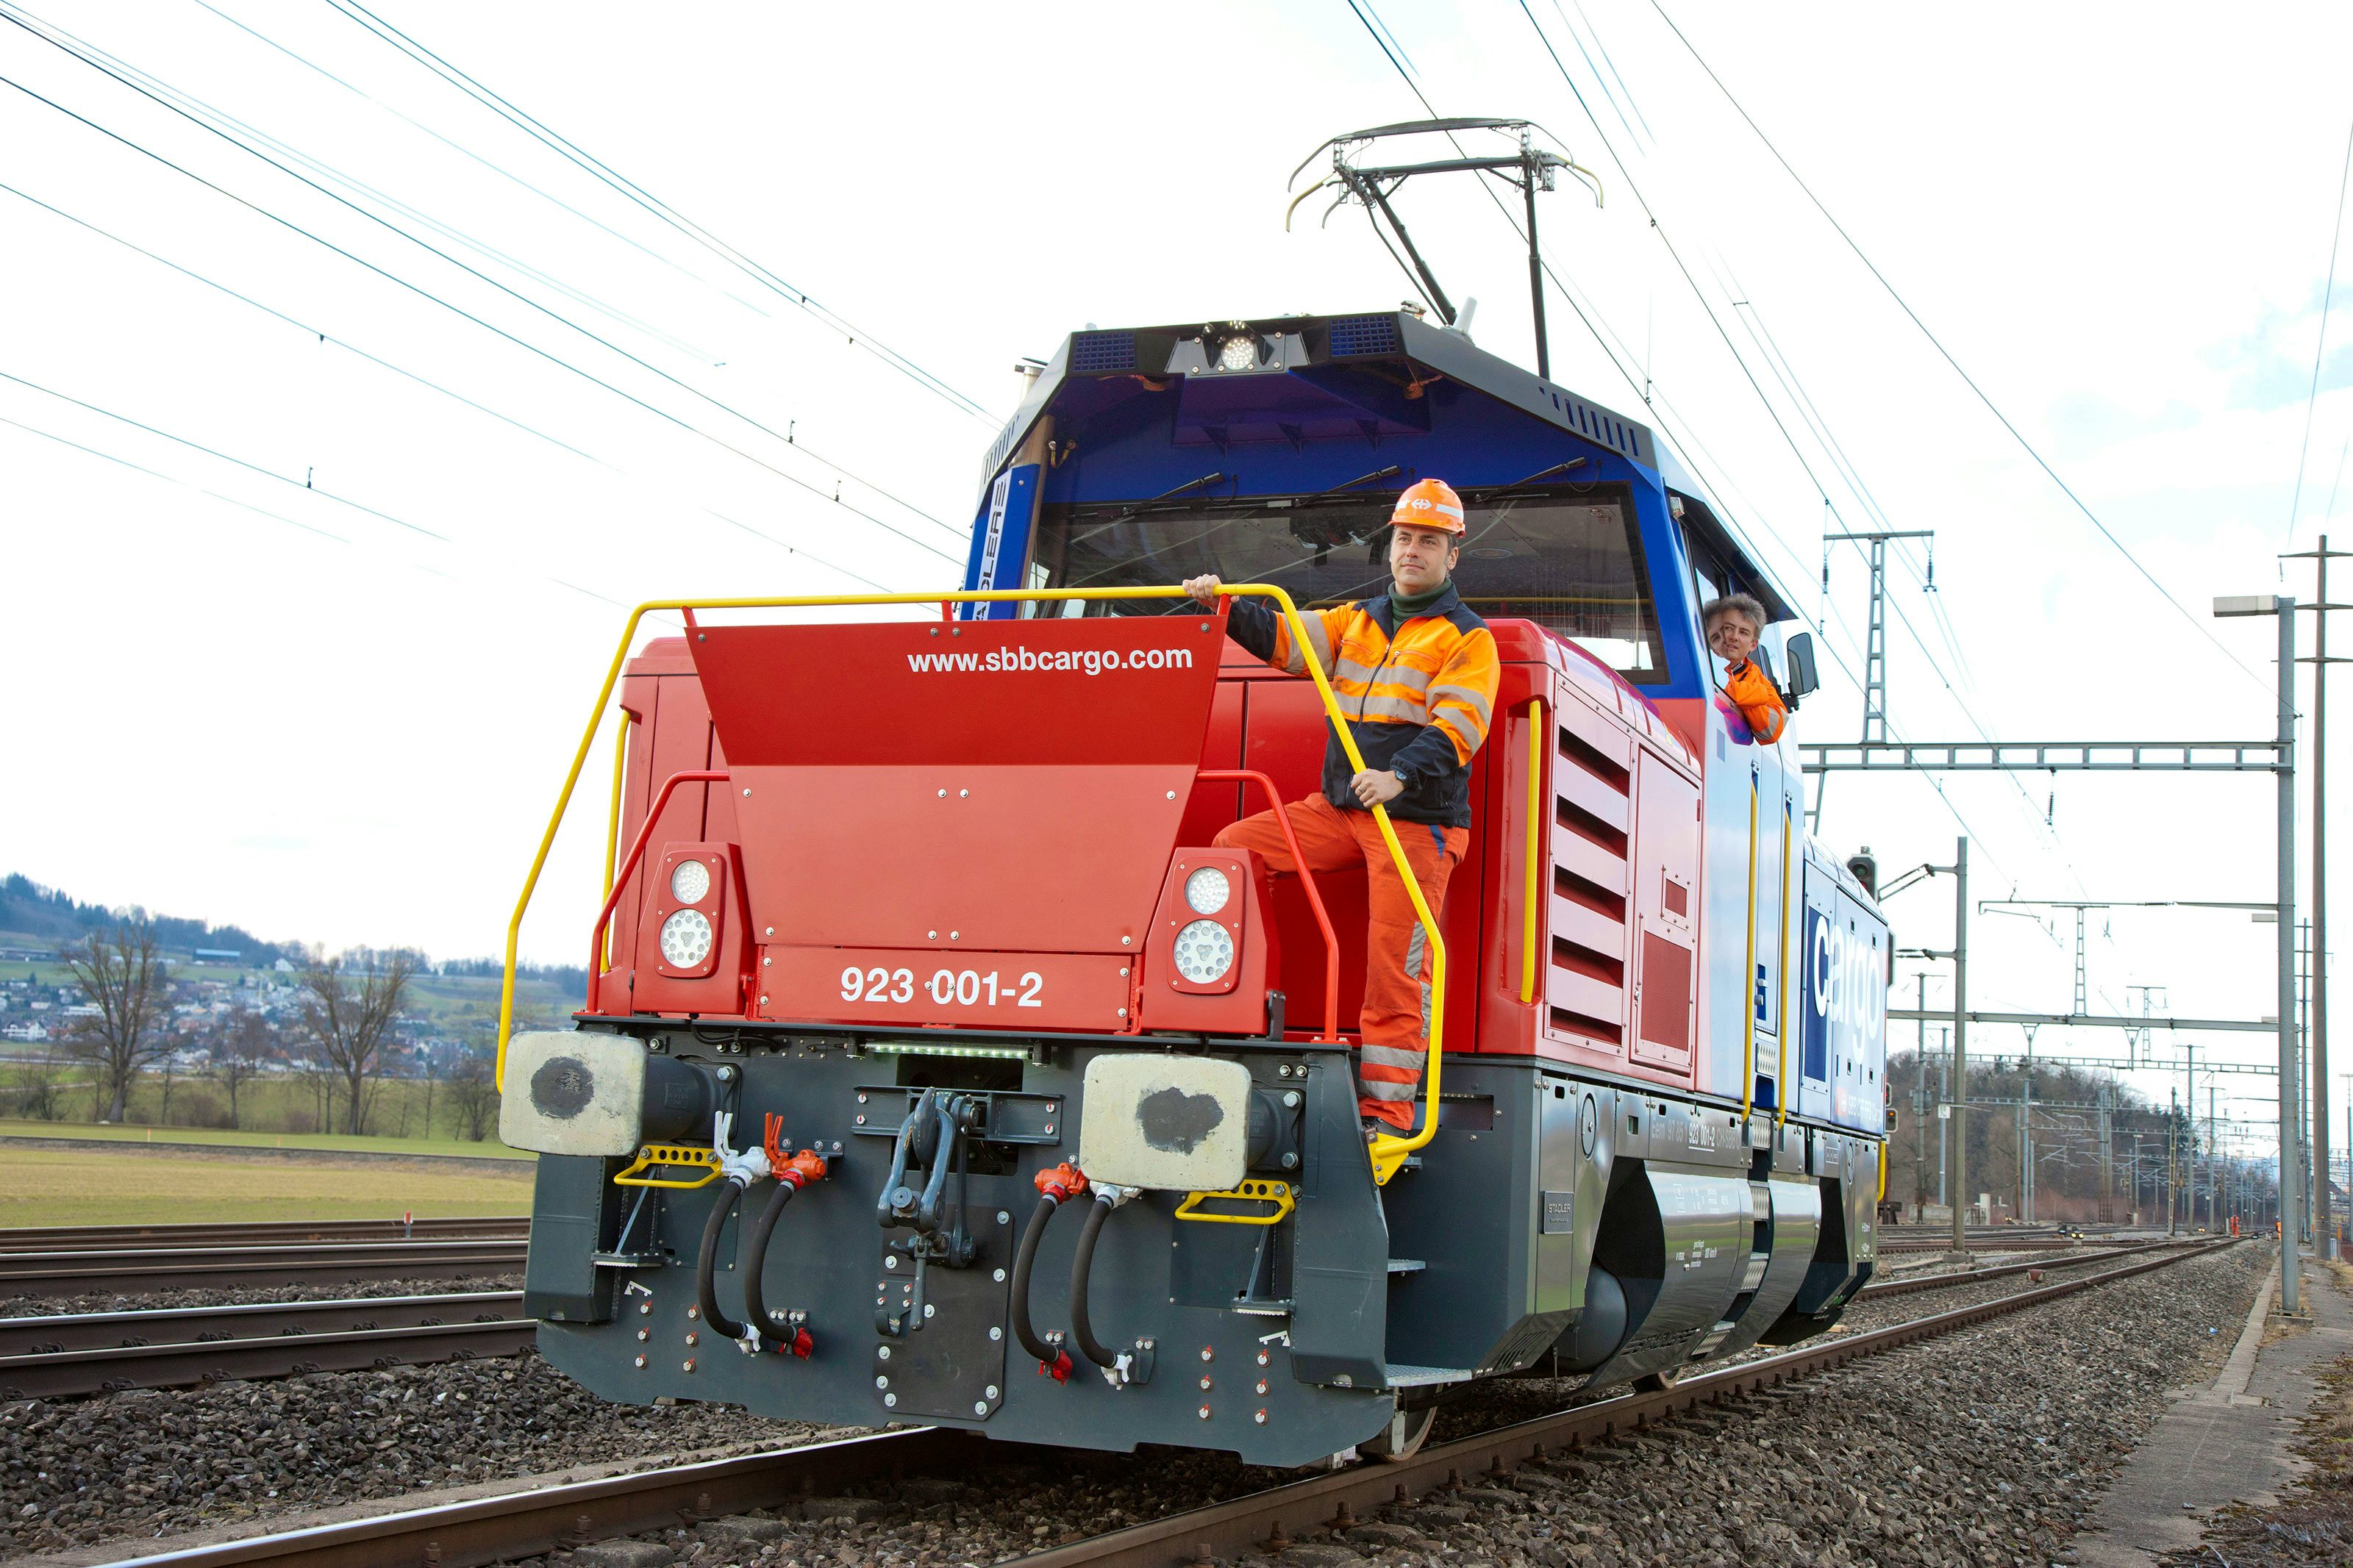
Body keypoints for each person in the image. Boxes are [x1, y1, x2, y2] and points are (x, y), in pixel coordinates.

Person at [1182, 478, 1499, 1135]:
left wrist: (1399, 776)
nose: (1412, 550)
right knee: (1234, 849)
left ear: (1452, 555)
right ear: (1392, 546)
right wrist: (1224, 605)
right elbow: (1286, 639)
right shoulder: (1355, 620)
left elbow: (1461, 728)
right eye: (1405, 537)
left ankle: (1388, 1113)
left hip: (1417, 826)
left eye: (1429, 541)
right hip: (1343, 811)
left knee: (1396, 970)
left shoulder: (1469, 639)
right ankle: (1241, 1022)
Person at [1702, 593, 1788, 744]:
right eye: (1717, 637)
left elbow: (1771, 732)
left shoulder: (1753, 675)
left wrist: (1740, 694)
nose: (1731, 637)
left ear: (1753, 645)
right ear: (1714, 650)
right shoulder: (1710, 675)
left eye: (1743, 632)